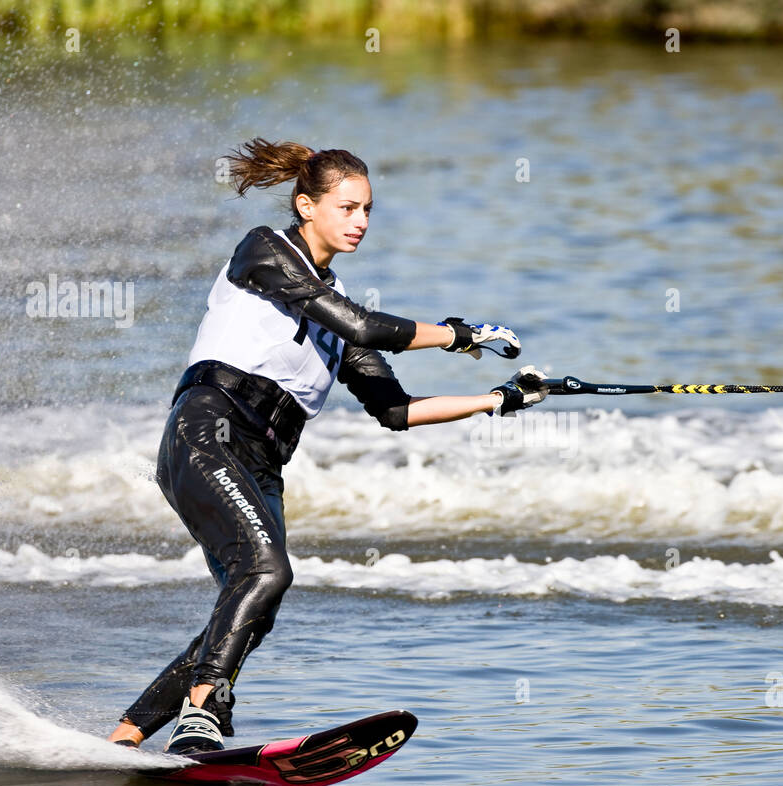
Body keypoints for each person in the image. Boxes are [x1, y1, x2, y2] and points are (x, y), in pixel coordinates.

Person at [107, 138, 548, 754]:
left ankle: (123, 740)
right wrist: (458, 334)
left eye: (369, 210)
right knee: (265, 571)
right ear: (307, 205)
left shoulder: (342, 318)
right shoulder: (264, 248)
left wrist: (497, 399)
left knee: (255, 605)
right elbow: (367, 327)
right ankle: (201, 719)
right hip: (207, 432)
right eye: (348, 208)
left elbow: (397, 410)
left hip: (263, 463)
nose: (361, 221)